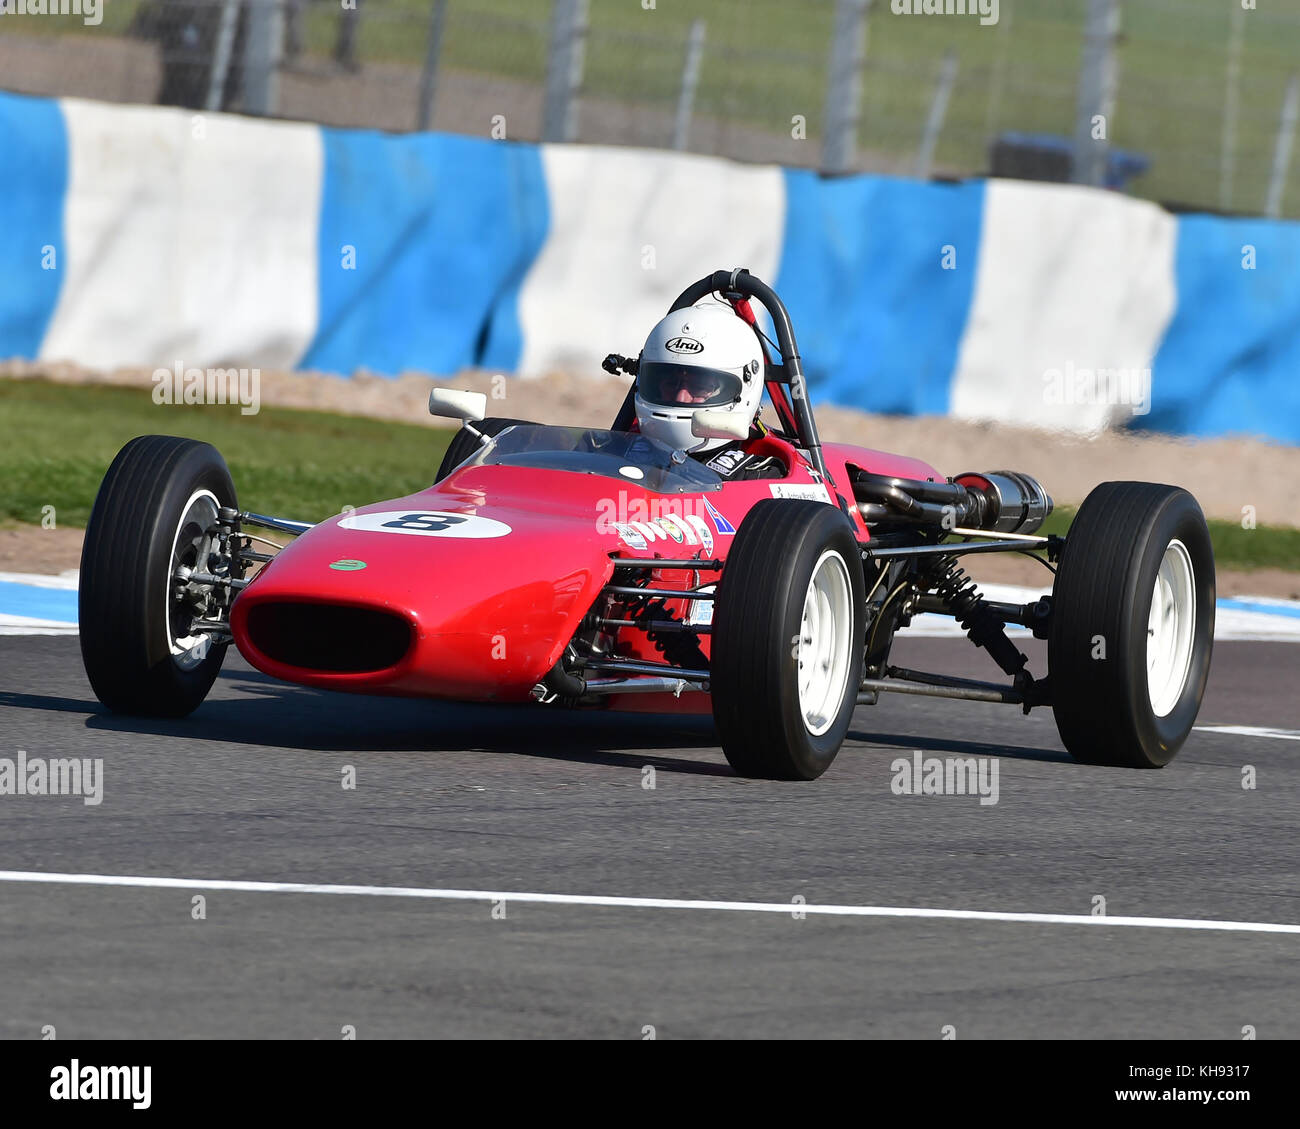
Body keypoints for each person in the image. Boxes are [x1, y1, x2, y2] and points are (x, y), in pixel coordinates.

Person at [632, 301, 784, 480]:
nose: (682, 396)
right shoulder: (621, 450)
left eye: (699, 387)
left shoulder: (755, 476)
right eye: (670, 383)